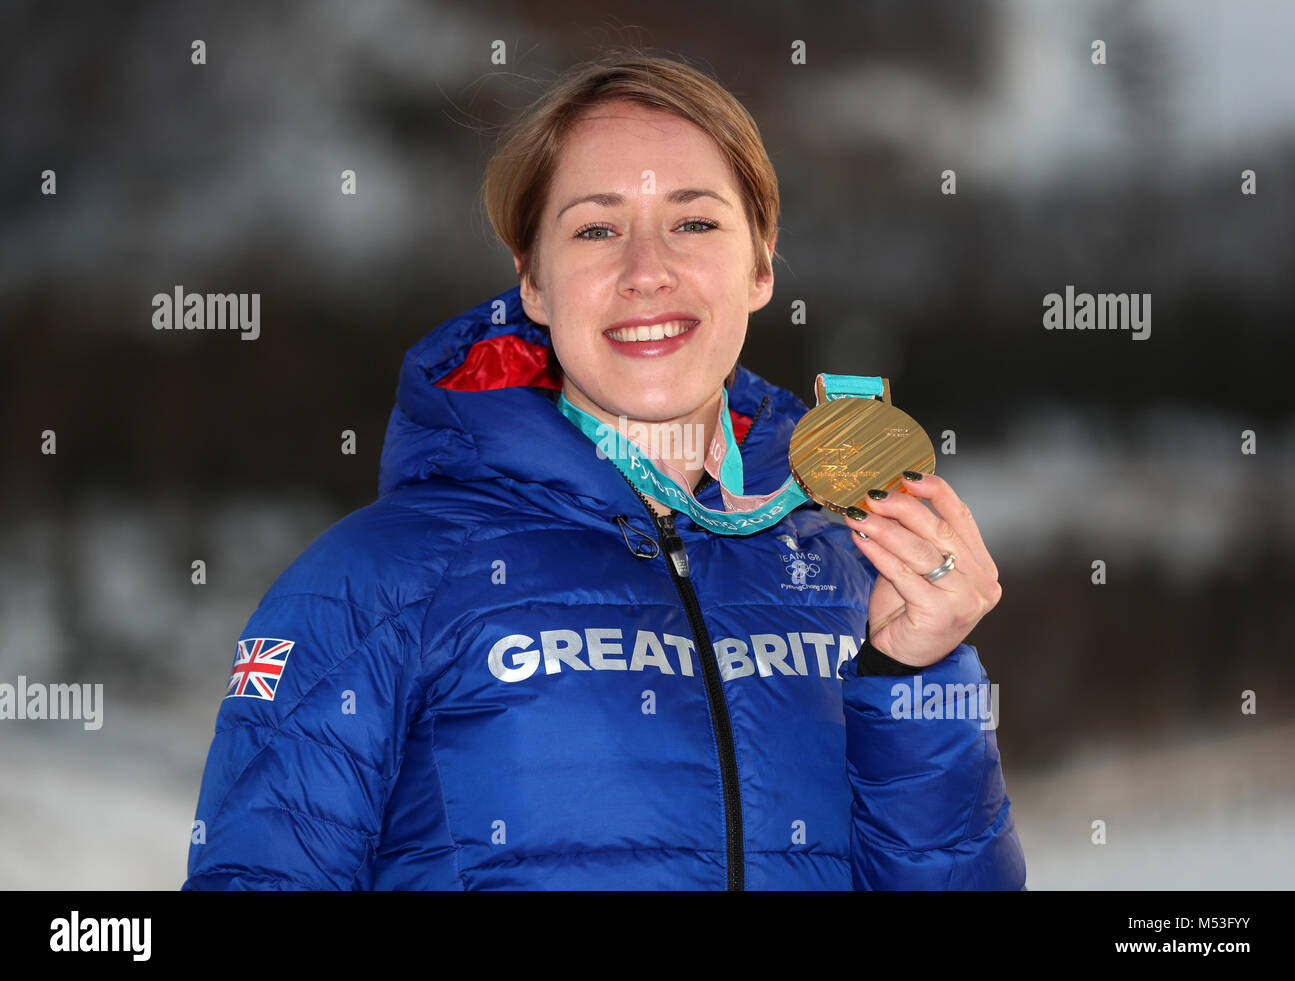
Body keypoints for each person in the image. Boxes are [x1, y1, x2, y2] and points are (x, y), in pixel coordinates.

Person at [183, 50, 1026, 890]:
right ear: (534, 283)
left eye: (693, 222)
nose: (646, 270)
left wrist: (913, 671)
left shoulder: (853, 562)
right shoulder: (372, 581)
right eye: (596, 228)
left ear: (762, 264)